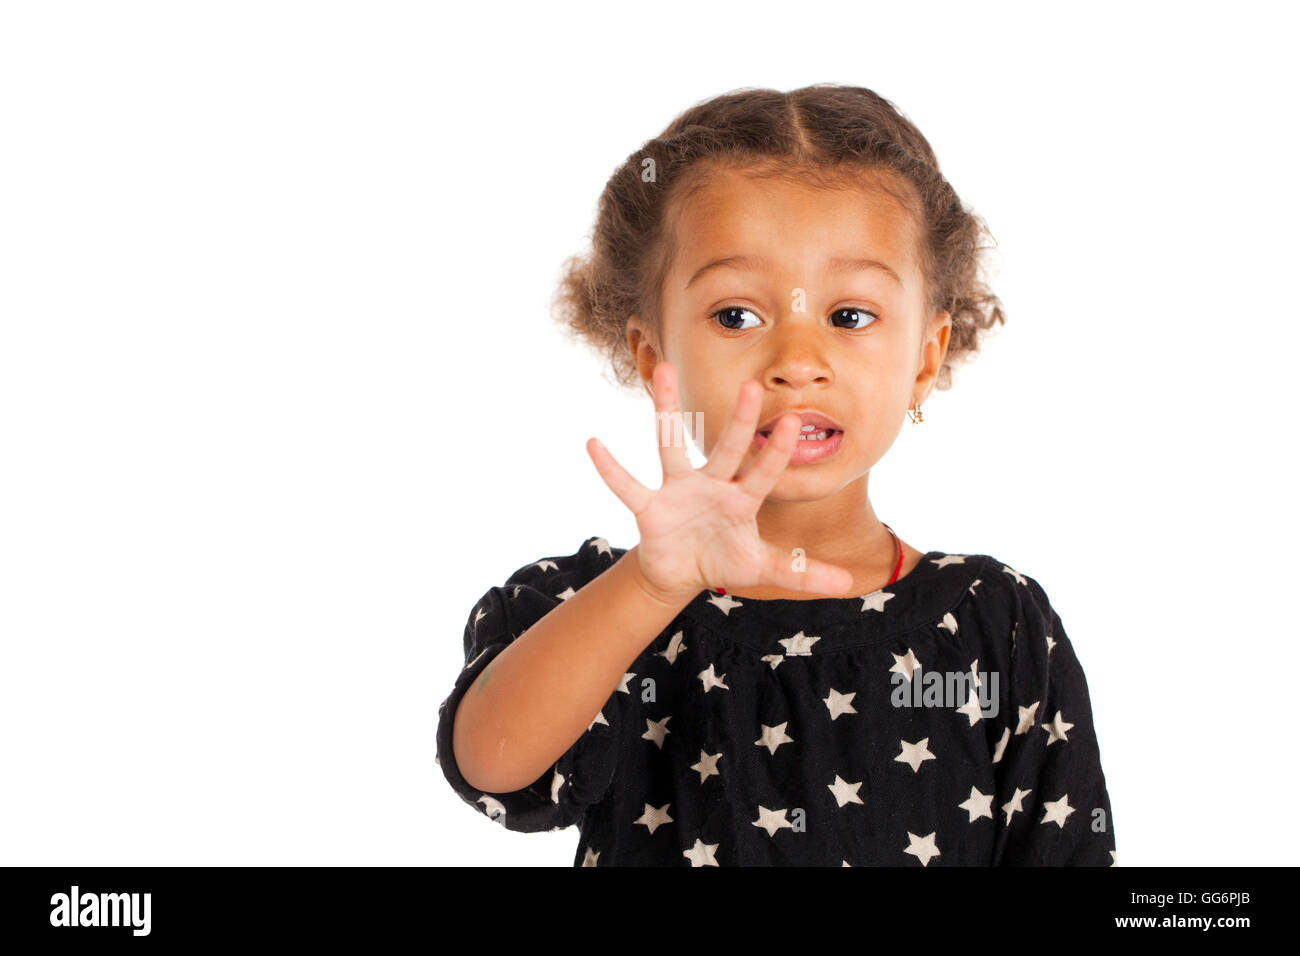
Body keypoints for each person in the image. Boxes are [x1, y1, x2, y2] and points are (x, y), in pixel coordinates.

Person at [435, 84, 1116, 866]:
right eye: (736, 317)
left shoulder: (999, 627)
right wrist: (650, 590)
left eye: (849, 316)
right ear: (656, 358)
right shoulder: (592, 609)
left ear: (924, 360)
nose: (797, 363)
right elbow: (489, 766)